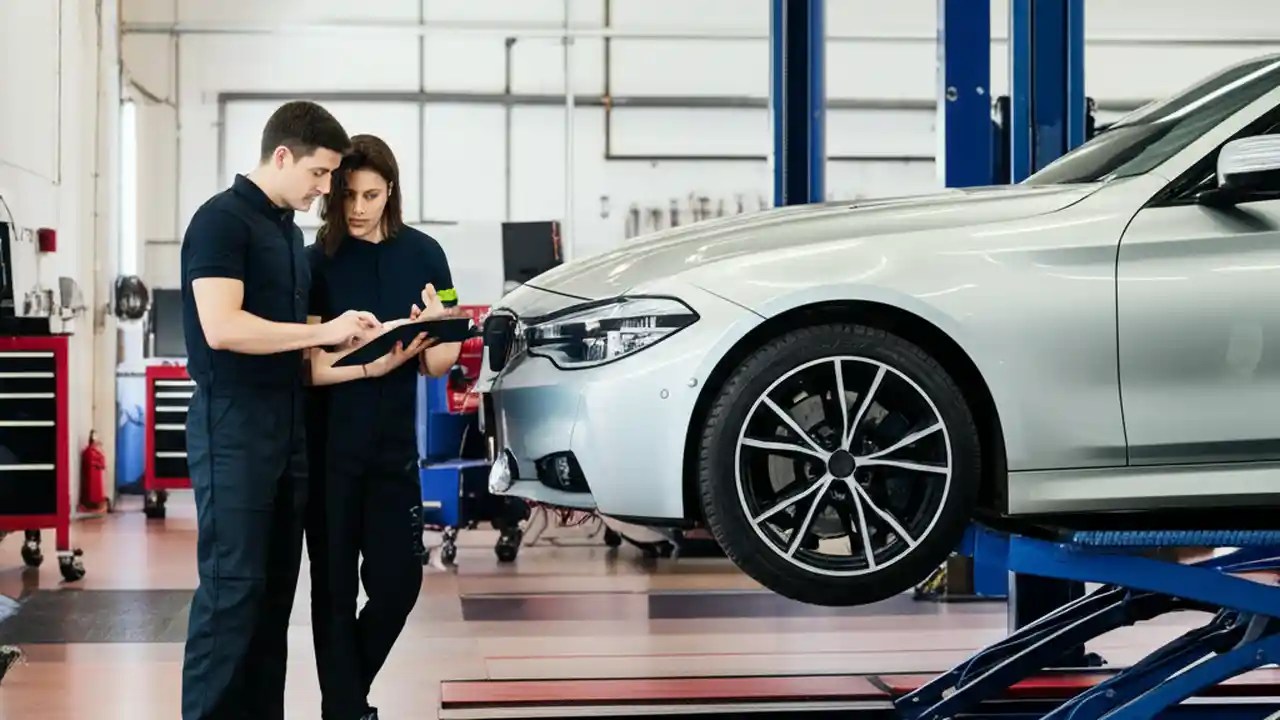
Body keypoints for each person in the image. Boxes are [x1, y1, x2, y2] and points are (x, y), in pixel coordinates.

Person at [179, 100, 383, 720]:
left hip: (287, 424)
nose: (326, 189)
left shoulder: (287, 236)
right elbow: (222, 327)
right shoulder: (220, 221)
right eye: (320, 175)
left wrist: (371, 346)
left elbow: (297, 345)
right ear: (283, 155)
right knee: (232, 591)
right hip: (232, 424)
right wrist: (318, 334)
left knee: (272, 597)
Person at [304, 133, 464, 720]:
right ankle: (346, 709)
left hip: (394, 451)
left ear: (390, 191)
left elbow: (437, 363)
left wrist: (444, 321)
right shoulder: (314, 262)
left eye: (371, 194)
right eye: (347, 194)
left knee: (399, 585)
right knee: (333, 592)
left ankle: (344, 701)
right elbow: (308, 365)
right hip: (328, 451)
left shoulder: (427, 254)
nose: (358, 207)